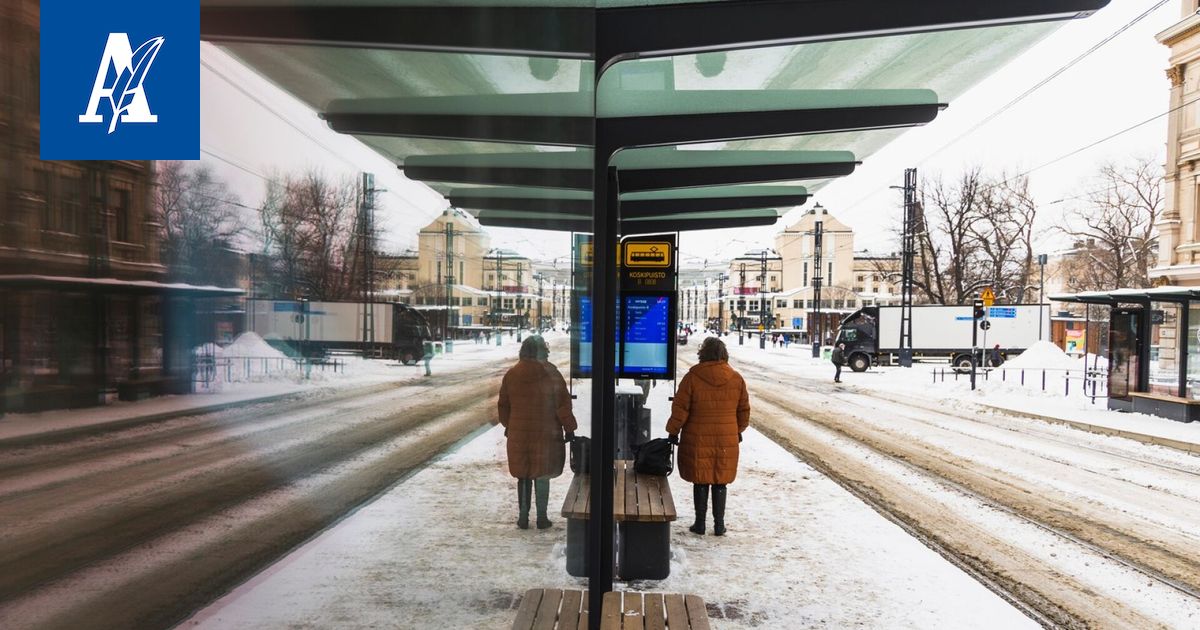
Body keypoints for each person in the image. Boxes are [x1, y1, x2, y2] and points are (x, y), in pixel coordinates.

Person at [666, 337, 750, 536]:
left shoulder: (692, 377)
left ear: (703, 353)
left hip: (698, 437)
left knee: (701, 479)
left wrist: (673, 431)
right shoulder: (736, 378)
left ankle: (700, 523)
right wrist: (736, 430)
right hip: (726, 440)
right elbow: (744, 410)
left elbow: (680, 409)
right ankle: (719, 525)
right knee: (720, 479)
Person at [498, 336, 577, 530]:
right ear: (542, 350)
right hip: (546, 435)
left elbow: (503, 406)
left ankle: (523, 517)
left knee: (523, 474)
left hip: (518, 435)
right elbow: (563, 405)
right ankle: (542, 517)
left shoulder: (512, 374)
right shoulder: (551, 373)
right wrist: (570, 428)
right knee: (542, 474)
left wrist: (511, 425)